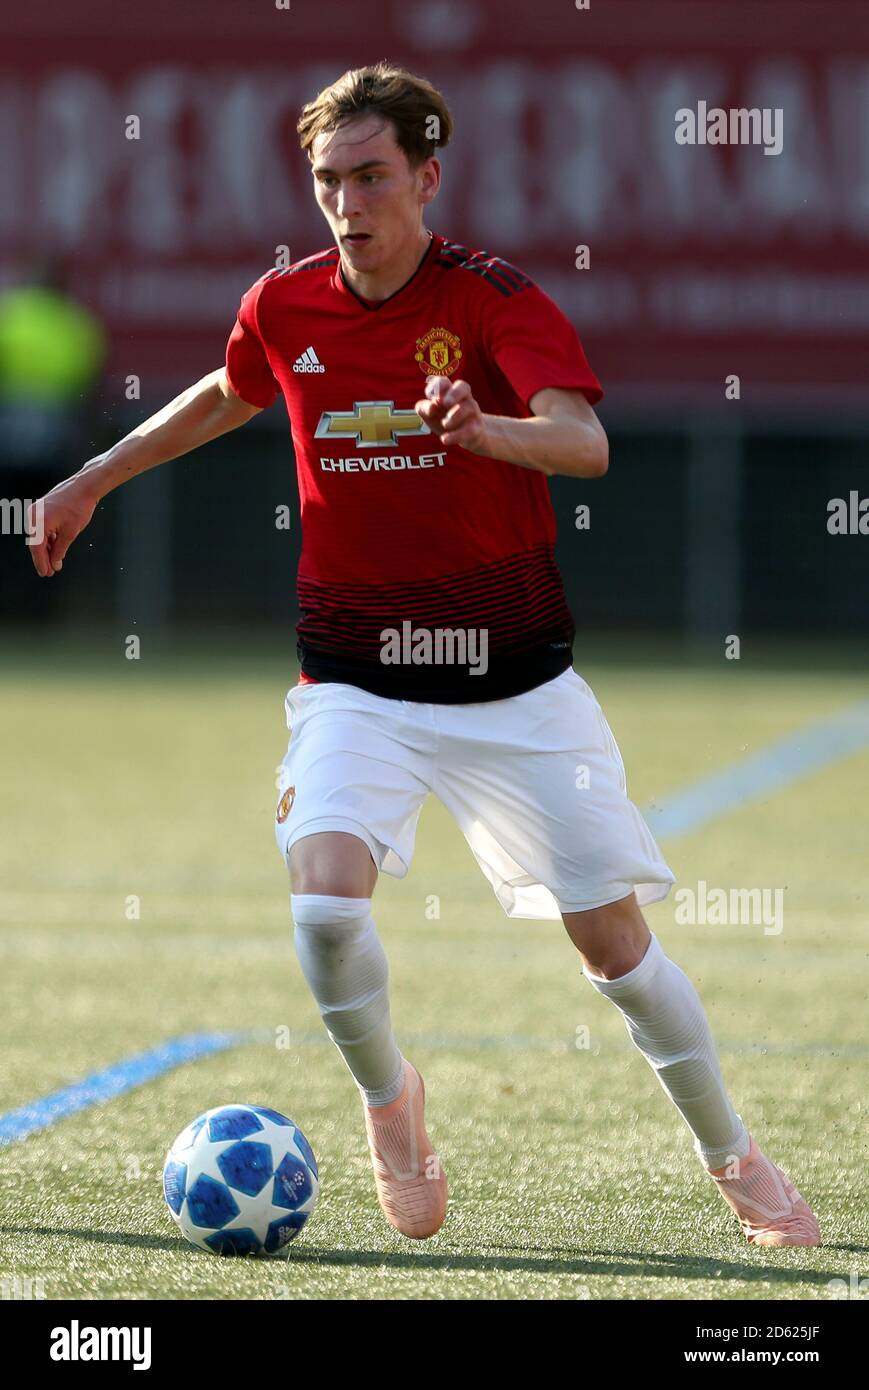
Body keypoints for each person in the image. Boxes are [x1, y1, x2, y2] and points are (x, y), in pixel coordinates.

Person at [28, 62, 820, 1248]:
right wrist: (94, 474)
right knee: (324, 912)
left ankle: (732, 1153)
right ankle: (391, 1104)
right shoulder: (284, 304)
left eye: (371, 176)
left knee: (615, 952)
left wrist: (484, 426)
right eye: (327, 180)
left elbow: (586, 442)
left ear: (425, 176)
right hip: (354, 680)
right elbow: (227, 393)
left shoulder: (492, 299)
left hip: (517, 688)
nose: (348, 202)